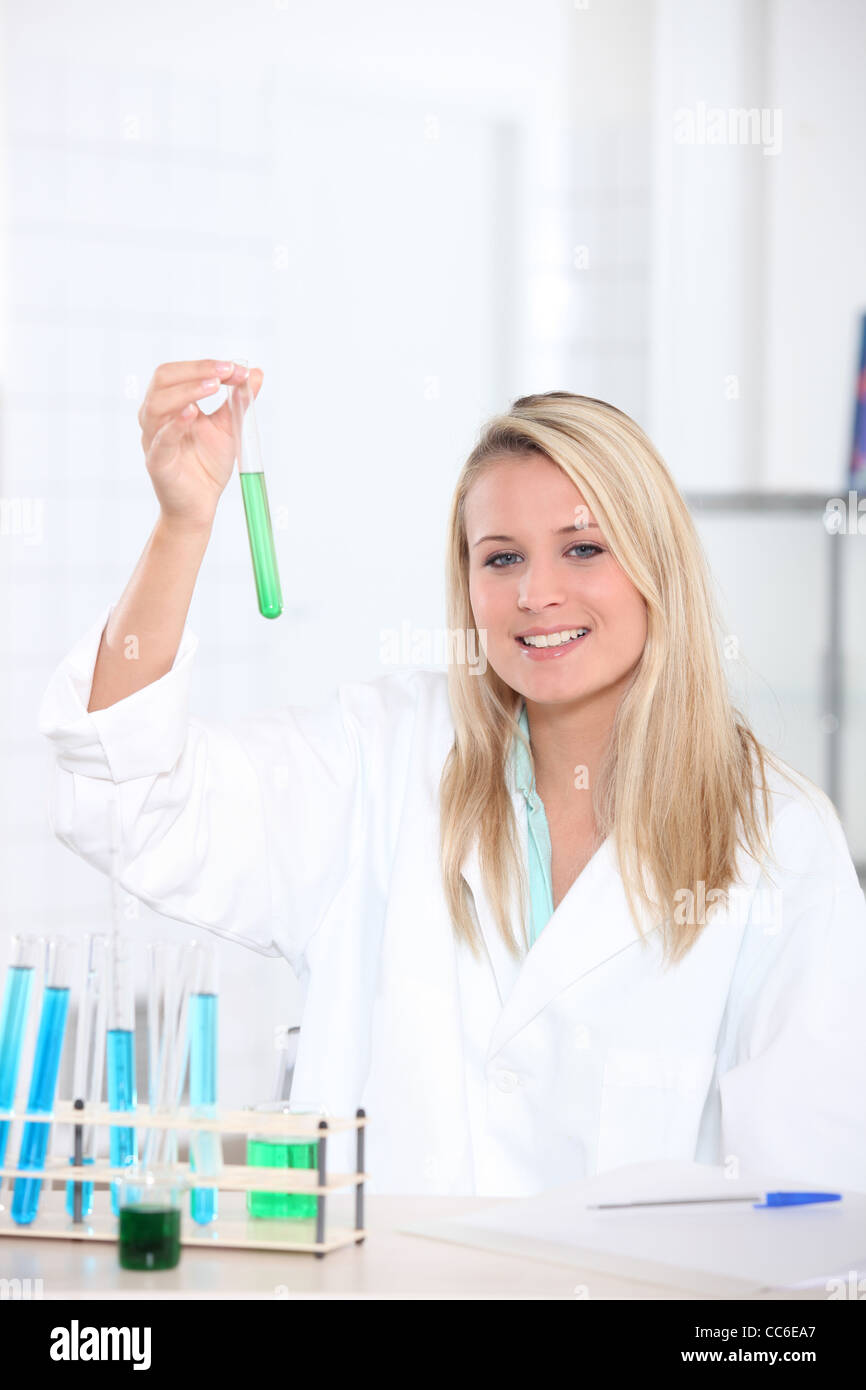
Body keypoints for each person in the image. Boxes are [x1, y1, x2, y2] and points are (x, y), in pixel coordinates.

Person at [39, 361, 866, 1197]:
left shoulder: (779, 840)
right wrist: (183, 525)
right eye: (501, 559)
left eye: (583, 548)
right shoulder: (383, 759)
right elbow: (130, 801)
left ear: (660, 567)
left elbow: (807, 1205)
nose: (537, 593)